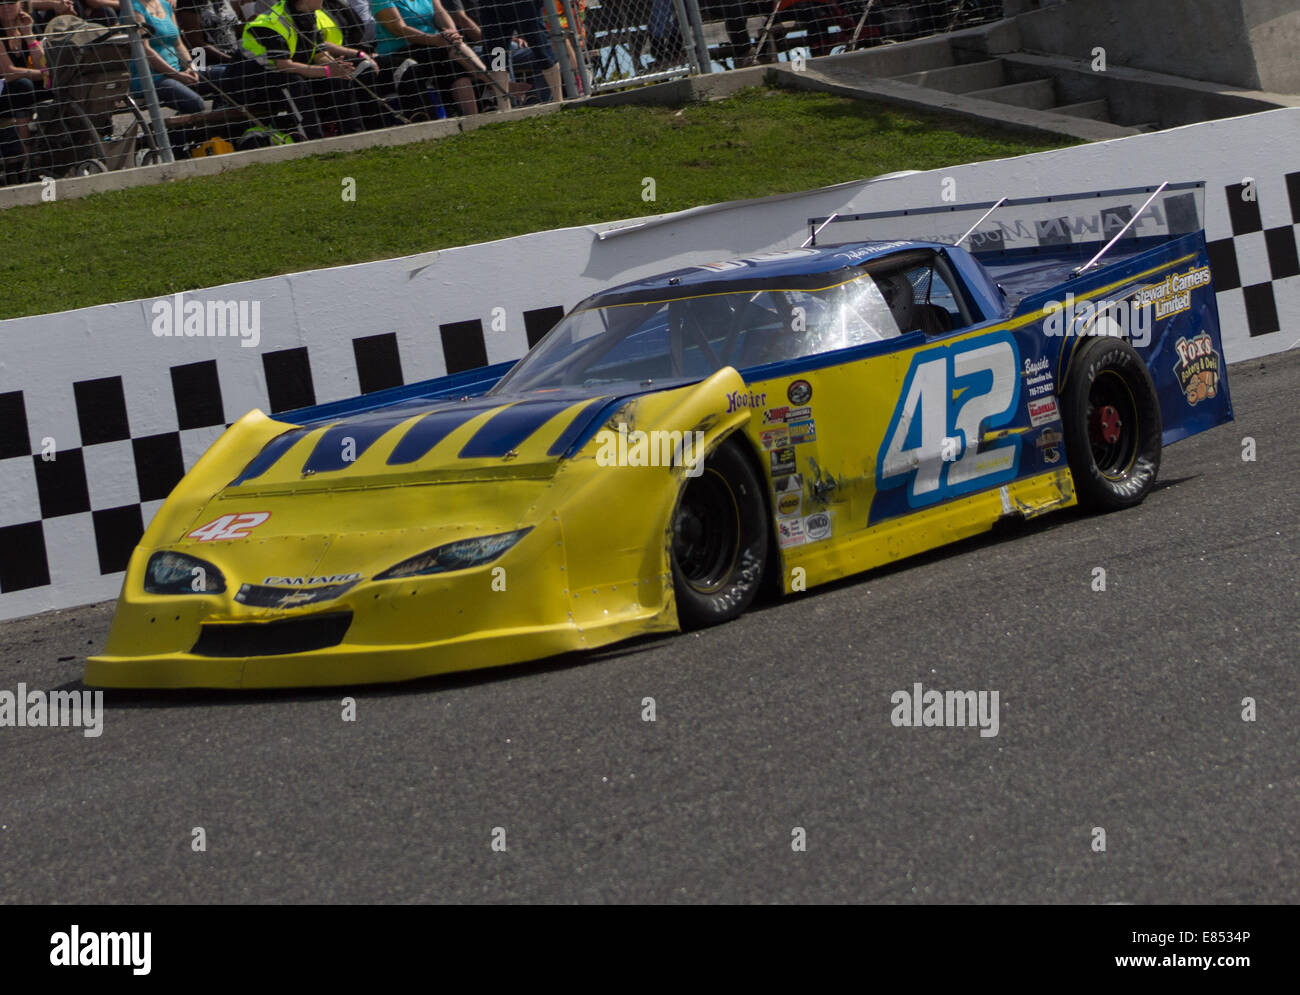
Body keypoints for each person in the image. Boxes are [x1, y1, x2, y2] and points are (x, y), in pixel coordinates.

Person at [241, 0, 378, 137]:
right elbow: (284, 66)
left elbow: (319, 55)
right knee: (293, 82)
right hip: (254, 82)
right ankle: (313, 140)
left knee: (339, 77)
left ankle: (356, 134)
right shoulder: (273, 23)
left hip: (289, 72)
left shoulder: (308, 14)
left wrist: (335, 66)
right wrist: (327, 71)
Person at [369, 0, 478, 117]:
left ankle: (472, 118)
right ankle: (488, 78)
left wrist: (452, 33)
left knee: (453, 61)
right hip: (401, 51)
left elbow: (440, 12)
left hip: (435, 45)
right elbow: (399, 29)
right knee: (446, 56)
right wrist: (435, 40)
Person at [125, 0, 206, 111]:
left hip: (179, 70)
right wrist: (176, 74)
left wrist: (190, 67)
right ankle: (176, 127)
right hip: (152, 77)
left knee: (225, 75)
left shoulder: (166, 5)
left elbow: (178, 44)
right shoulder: (134, 8)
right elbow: (145, 49)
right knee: (195, 103)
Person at [0, 0, 47, 160]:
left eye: (11, 2)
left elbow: (43, 63)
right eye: (0, 3)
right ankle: (25, 154)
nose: (6, 6)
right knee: (23, 85)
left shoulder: (28, 25)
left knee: (49, 85)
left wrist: (29, 35)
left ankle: (53, 141)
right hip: (5, 90)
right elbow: (9, 72)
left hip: (20, 88)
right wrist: (42, 73)